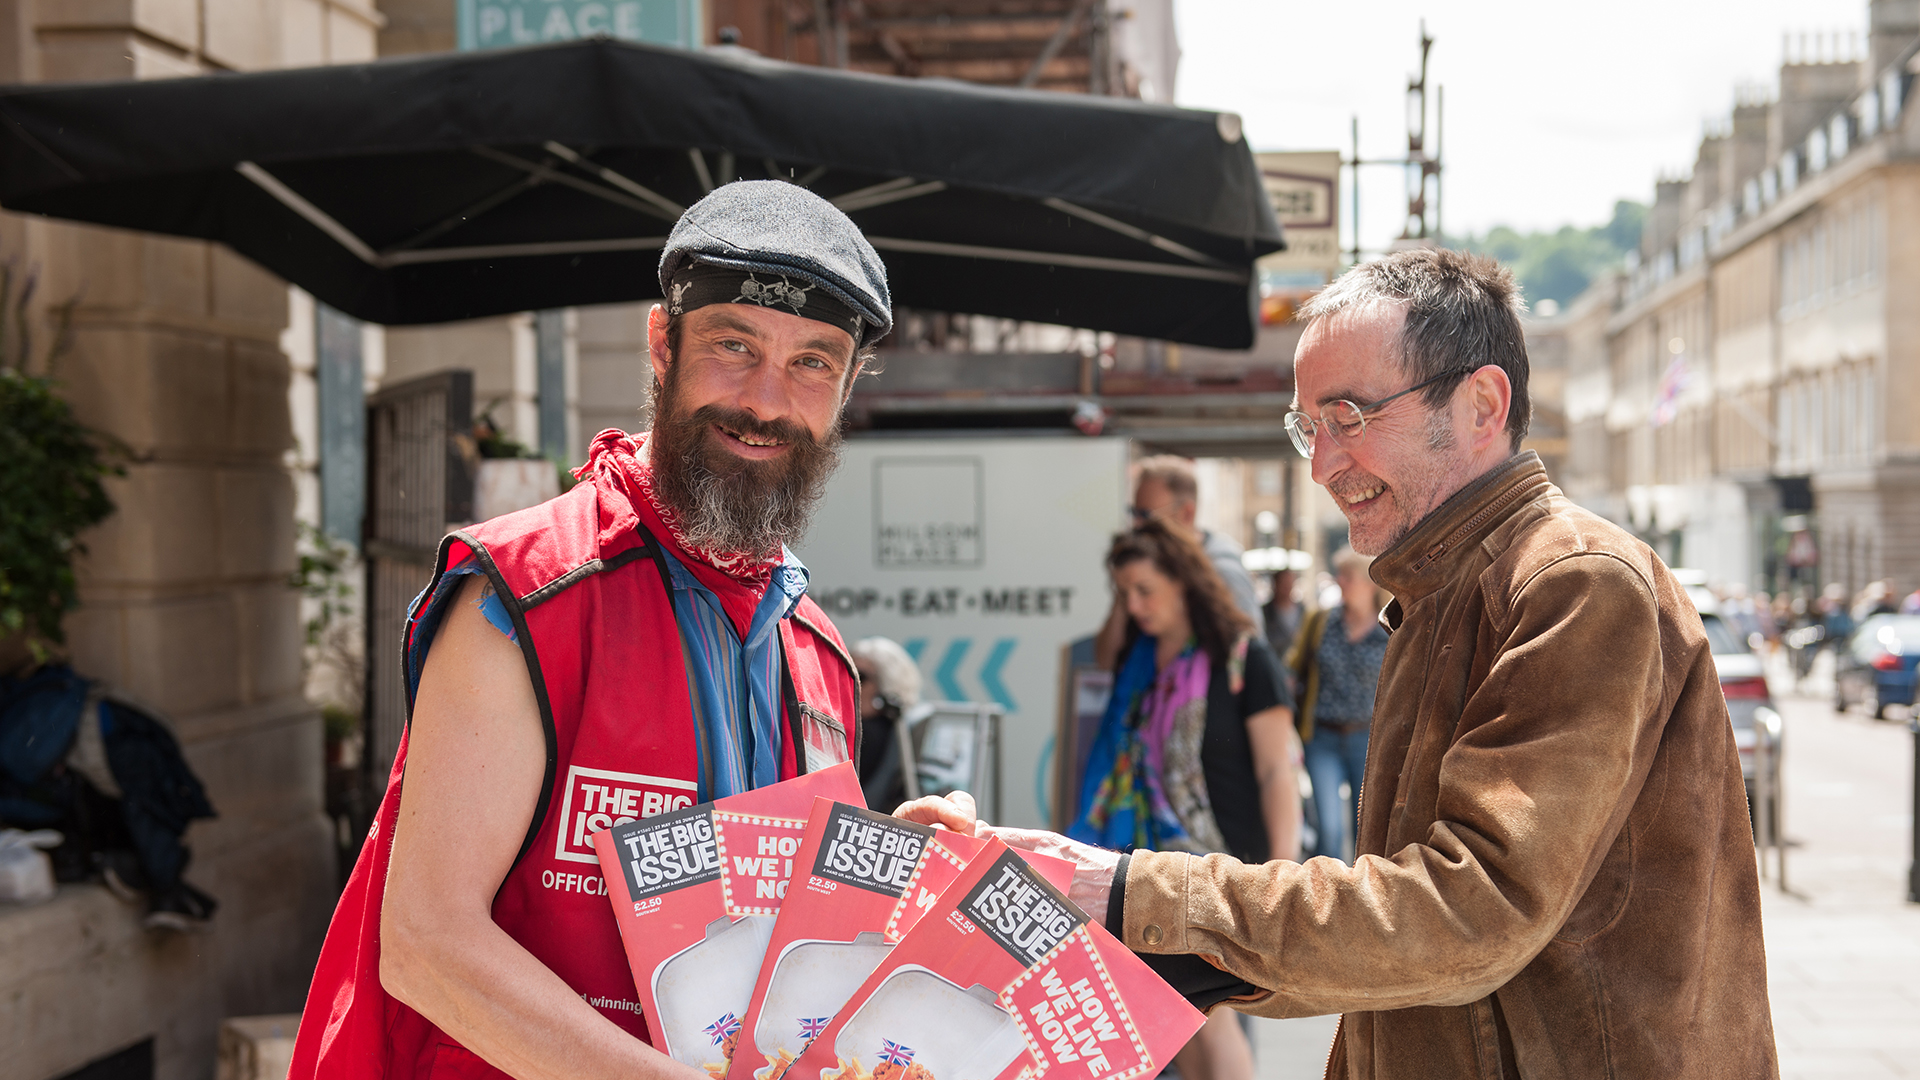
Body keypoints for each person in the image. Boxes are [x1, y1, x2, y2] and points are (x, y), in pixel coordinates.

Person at [902, 249, 1777, 1079]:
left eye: (1349, 417)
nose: (1323, 463)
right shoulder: (1444, 590)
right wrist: (1086, 902)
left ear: (1480, 405)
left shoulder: (1575, 581)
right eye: (1307, 426)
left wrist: (1123, 891)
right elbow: (1395, 942)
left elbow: (1470, 915)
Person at [290, 181, 893, 1080]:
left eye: (814, 362)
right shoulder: (525, 594)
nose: (767, 401)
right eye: (734, 345)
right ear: (664, 343)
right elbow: (424, 944)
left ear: (845, 389)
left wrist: (906, 875)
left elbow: (800, 957)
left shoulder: (818, 654)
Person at [1069, 516, 1299, 1080]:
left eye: (1146, 590)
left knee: (1213, 1017)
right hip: (1149, 873)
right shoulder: (1139, 663)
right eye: (1125, 594)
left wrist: (1285, 870)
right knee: (1182, 1018)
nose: (1136, 604)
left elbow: (1277, 770)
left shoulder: (1241, 657)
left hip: (1225, 866)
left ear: (1185, 582)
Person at [1095, 457, 1264, 670]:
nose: (1137, 526)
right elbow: (1106, 660)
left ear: (1187, 513)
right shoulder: (1140, 569)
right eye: (1133, 513)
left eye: (1146, 515)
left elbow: (1248, 659)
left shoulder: (1222, 569)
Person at [1284, 547, 1387, 861]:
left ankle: (1360, 900)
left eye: (1349, 576)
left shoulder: (1390, 628)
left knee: (1366, 832)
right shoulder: (1321, 620)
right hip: (1322, 737)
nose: (1340, 581)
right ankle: (1323, 904)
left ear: (1371, 583)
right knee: (1329, 830)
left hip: (1367, 741)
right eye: (1339, 575)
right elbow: (1294, 666)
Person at [849, 636, 922, 812]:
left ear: (885, 685)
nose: (851, 684)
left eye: (860, 677)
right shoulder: (900, 728)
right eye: (846, 673)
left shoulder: (869, 733)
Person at [1261, 566, 1307, 662]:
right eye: (1283, 584)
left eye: (1289, 583)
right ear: (1275, 585)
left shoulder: (1303, 611)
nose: (1286, 588)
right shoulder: (1264, 612)